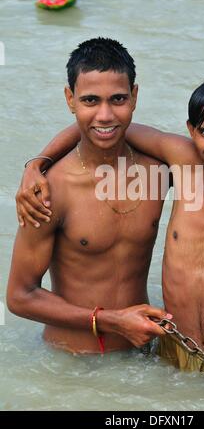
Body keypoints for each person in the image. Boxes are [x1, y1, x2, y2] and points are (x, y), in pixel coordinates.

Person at [17, 73, 204, 411]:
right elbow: (103, 127)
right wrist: (37, 164)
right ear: (192, 132)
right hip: (166, 357)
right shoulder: (184, 171)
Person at [7, 37, 171, 355]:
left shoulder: (159, 171)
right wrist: (111, 321)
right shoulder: (48, 190)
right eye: (90, 100)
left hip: (141, 355)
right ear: (71, 100)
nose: (105, 114)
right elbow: (19, 295)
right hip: (71, 364)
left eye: (118, 99)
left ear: (135, 96)